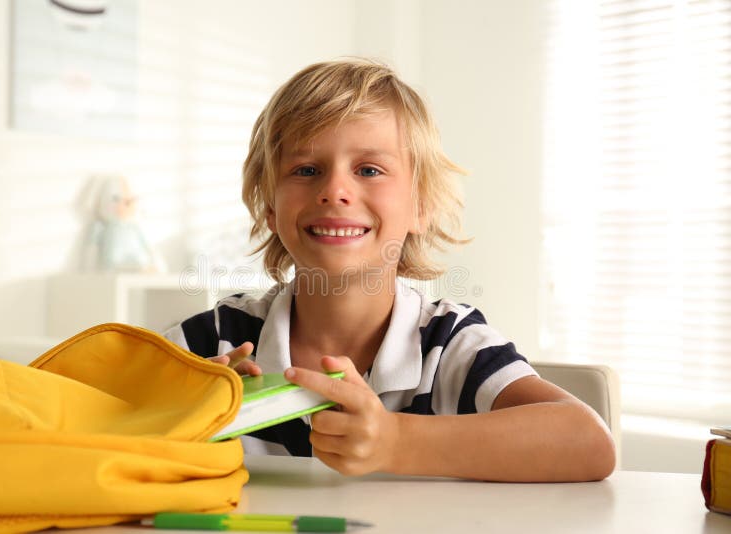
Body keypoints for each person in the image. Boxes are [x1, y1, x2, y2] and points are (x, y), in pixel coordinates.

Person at [164, 58, 615, 482]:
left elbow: (588, 443)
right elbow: (99, 429)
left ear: (421, 206)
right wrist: (180, 423)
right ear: (269, 208)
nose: (335, 189)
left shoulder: (450, 345)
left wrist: (395, 440)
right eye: (306, 169)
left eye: (369, 169)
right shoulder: (213, 342)